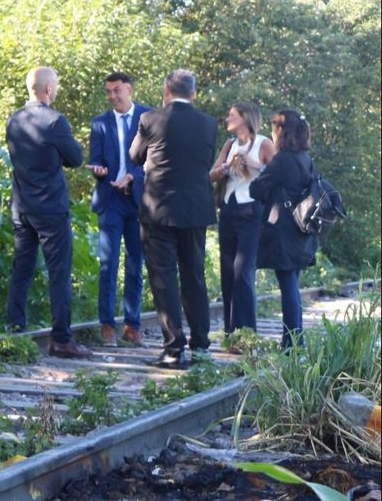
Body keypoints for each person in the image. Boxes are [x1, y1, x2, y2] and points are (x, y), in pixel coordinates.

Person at [129, 69, 217, 369]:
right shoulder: (208, 124)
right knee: (194, 276)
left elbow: (134, 155)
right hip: (194, 211)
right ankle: (202, 347)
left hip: (159, 210)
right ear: (193, 93)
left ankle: (173, 349)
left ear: (167, 89)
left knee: (163, 277)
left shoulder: (150, 119)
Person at [3, 67, 91, 358]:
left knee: (22, 270)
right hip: (50, 208)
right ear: (48, 90)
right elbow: (76, 158)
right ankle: (62, 339)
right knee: (59, 273)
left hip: (21, 207)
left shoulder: (14, 120)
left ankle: (14, 330)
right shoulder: (55, 122)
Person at [85, 72, 149, 347]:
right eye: (109, 91)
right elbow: (95, 160)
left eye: (117, 90)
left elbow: (154, 158)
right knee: (107, 264)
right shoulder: (99, 123)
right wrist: (99, 170)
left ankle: (132, 324)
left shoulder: (148, 118)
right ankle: (107, 324)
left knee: (136, 263)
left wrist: (133, 175)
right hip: (110, 198)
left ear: (129, 90)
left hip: (137, 200)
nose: (112, 96)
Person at [250, 109, 318, 348]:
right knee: (292, 285)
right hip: (302, 230)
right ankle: (294, 340)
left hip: (284, 232)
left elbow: (256, 190)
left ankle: (291, 344)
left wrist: (258, 174)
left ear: (281, 130)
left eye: (273, 126)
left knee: (288, 285)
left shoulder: (282, 159)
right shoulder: (306, 158)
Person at [209, 102, 275, 344]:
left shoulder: (263, 143)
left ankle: (247, 335)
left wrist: (253, 164)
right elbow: (211, 174)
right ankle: (231, 333)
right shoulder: (229, 145)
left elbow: (278, 173)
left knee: (242, 273)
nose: (227, 119)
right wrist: (225, 167)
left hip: (252, 212)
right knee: (227, 273)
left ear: (246, 118)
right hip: (228, 210)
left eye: (232, 115)